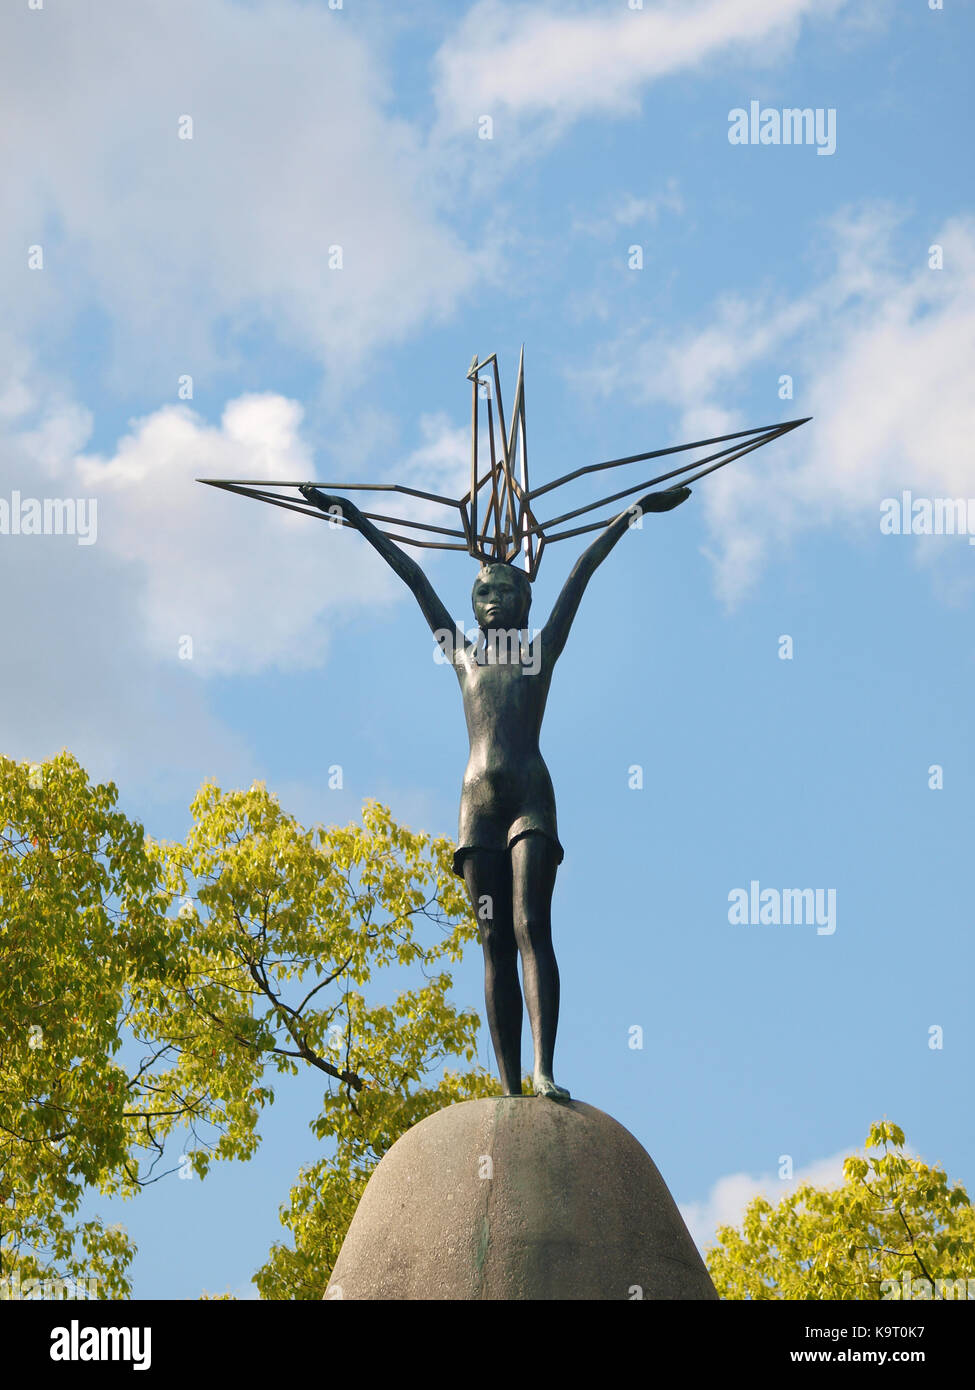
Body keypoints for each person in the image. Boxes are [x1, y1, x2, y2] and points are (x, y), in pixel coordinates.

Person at [300, 480, 691, 1098]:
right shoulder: (461, 656)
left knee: (532, 924)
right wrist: (354, 519)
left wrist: (635, 511)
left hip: (531, 799)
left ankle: (543, 1070)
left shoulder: (540, 653)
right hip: (478, 807)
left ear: (524, 602)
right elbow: (413, 580)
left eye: (504, 590)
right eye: (482, 592)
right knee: (492, 939)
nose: (491, 600)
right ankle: (508, 1086)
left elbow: (583, 570)